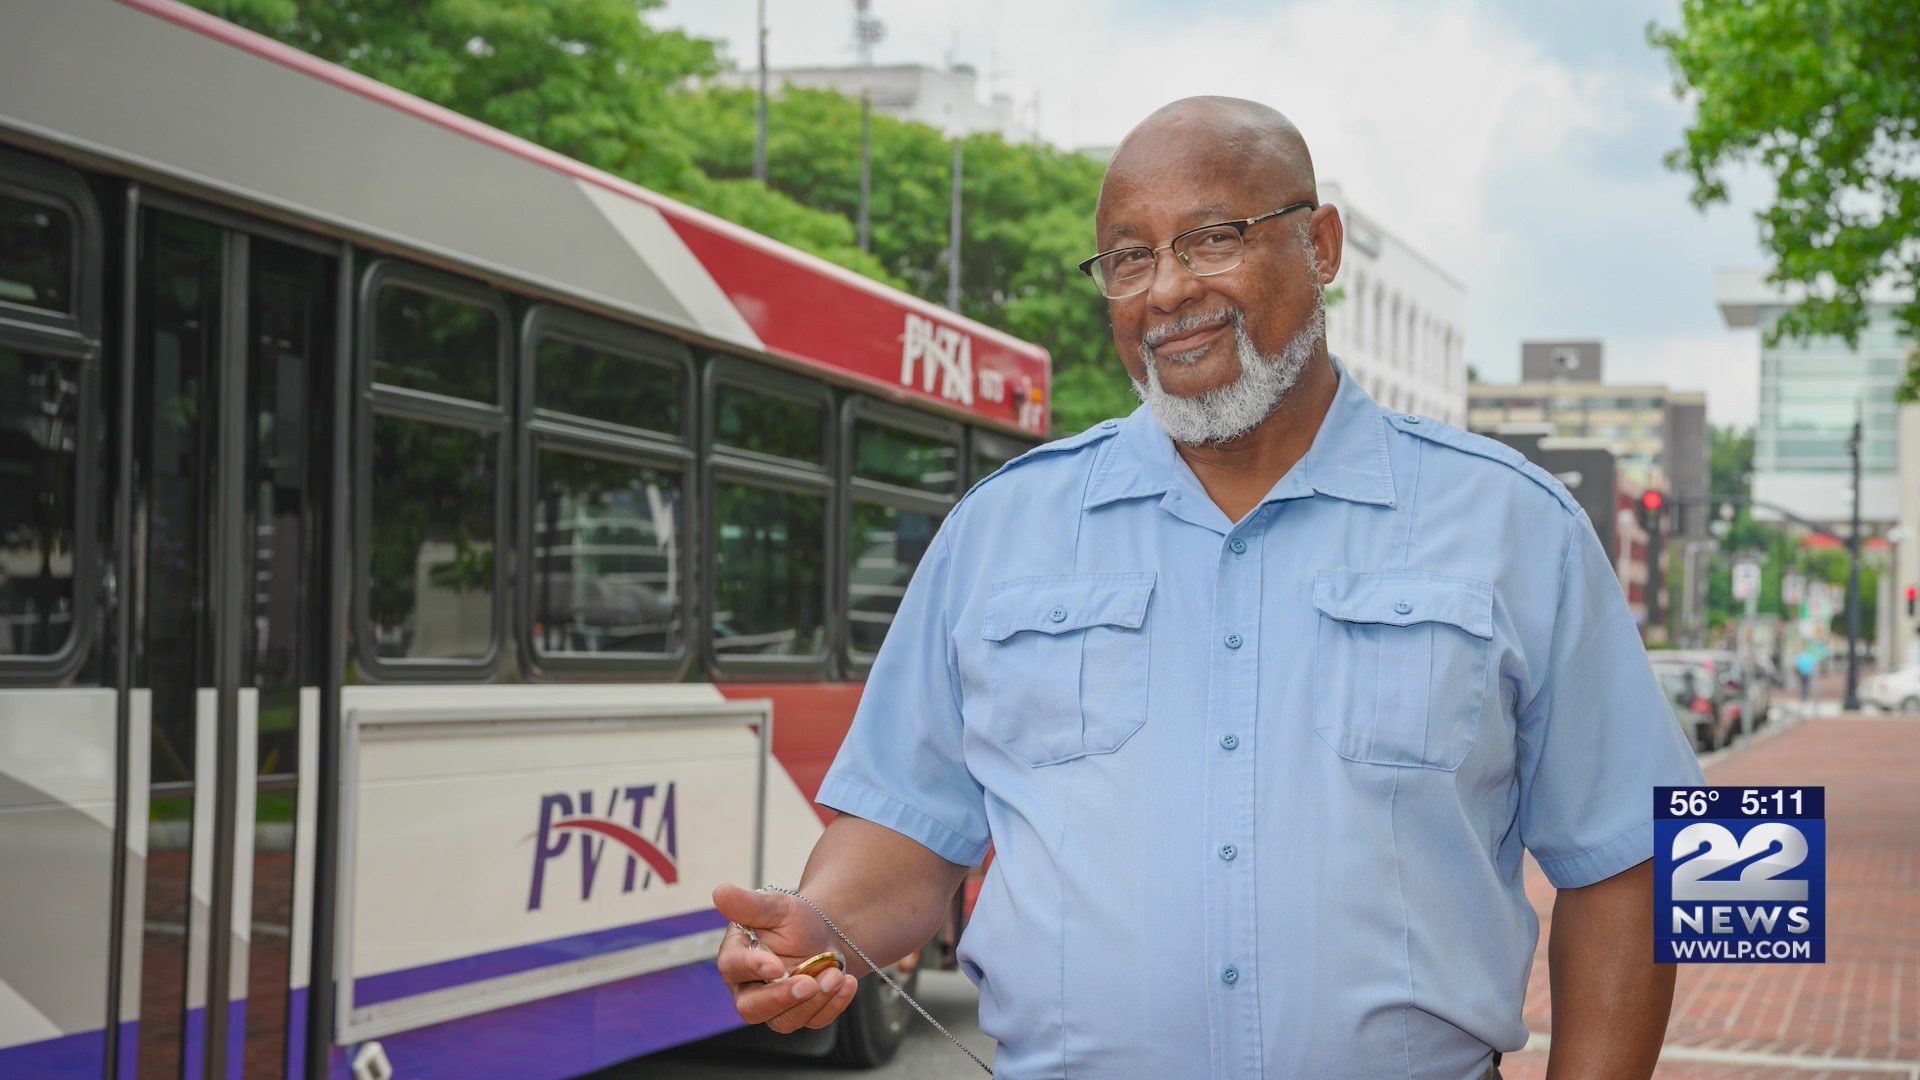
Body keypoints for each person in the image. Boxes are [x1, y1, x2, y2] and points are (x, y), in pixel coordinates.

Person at [713, 97, 1705, 1080]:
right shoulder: (999, 531)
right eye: (1130, 258)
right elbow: (906, 826)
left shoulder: (1516, 526)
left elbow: (1640, 858)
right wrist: (822, 929)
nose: (1167, 289)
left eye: (1213, 239)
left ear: (1320, 246)